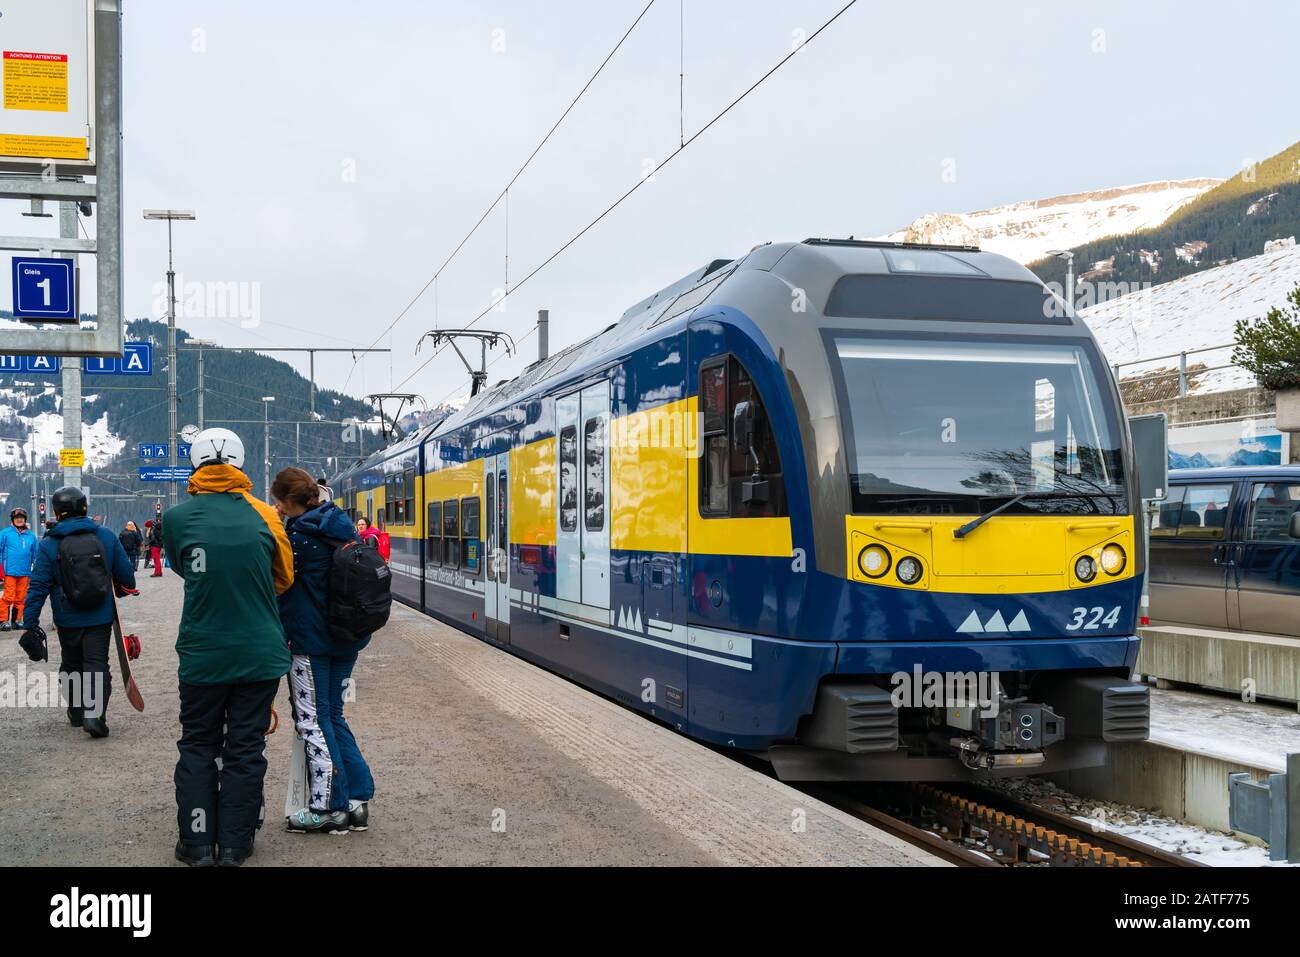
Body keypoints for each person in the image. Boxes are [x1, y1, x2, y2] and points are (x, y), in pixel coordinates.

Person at [164, 428, 293, 868]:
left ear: (195, 464)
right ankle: (236, 845)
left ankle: (197, 843)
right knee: (245, 747)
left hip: (202, 653)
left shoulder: (176, 518)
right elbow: (284, 577)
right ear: (240, 463)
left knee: (198, 745)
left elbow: (184, 567)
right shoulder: (267, 516)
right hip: (259, 653)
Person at [274, 467, 374, 834]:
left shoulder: (299, 536)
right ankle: (357, 800)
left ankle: (329, 807)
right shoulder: (340, 525)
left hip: (310, 642)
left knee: (312, 721)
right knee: (333, 716)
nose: (278, 509)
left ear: (287, 501)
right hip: (346, 638)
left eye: (279, 502)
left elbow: (282, 583)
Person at [21, 488, 137, 737]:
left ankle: (75, 712)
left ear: (57, 512)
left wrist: (29, 622)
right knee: (96, 663)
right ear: (85, 506)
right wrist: (124, 589)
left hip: (66, 616)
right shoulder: (105, 536)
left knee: (71, 663)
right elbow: (127, 575)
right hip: (100, 615)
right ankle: (94, 716)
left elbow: (38, 585)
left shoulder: (49, 544)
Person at [0, 508, 37, 631]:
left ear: (25, 520)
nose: (19, 520)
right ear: (13, 520)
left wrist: (35, 569)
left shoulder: (31, 535)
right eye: (17, 518)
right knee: (8, 597)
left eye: (21, 518)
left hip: (24, 572)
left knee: (21, 598)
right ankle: (3, 621)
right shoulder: (5, 533)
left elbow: (35, 554)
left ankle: (17, 621)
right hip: (9, 572)